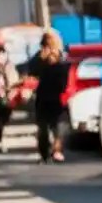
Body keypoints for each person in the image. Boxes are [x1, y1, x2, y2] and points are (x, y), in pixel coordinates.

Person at [26, 30, 70, 163]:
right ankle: (56, 151)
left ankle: (45, 154)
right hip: (58, 96)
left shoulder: (40, 57)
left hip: (44, 96)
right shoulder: (62, 57)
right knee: (58, 127)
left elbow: (31, 71)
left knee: (44, 127)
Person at [0, 42, 19, 152]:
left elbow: (14, 80)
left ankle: (0, 141)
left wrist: (11, 90)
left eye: (2, 54)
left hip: (7, 97)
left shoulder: (9, 66)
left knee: (3, 120)